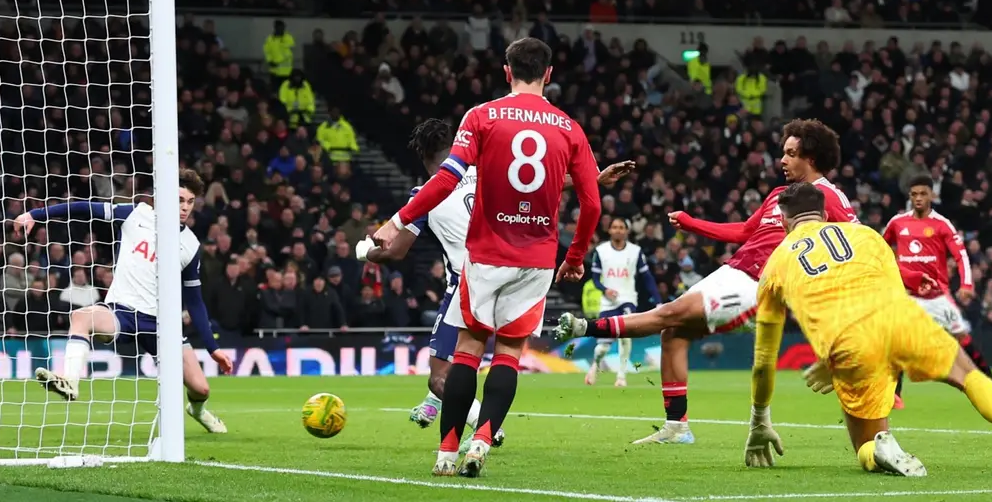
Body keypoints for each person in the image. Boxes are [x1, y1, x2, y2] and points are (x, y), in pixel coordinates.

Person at [372, 37, 602, 478]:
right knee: (510, 355)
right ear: (549, 75)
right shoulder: (570, 128)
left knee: (467, 351)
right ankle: (482, 442)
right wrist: (574, 258)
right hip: (536, 258)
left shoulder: (482, 116)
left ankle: (446, 451)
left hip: (486, 253)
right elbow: (591, 205)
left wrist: (397, 221)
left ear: (506, 71)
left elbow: (445, 180)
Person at [746, 182, 992, 476]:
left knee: (865, 442)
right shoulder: (866, 235)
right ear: (823, 212)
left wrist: (760, 419)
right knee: (968, 374)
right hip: (898, 319)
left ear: (786, 220)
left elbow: (764, 359)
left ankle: (879, 449)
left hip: (848, 346)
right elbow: (894, 293)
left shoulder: (776, 262)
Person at [554, 119, 857, 444]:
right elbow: (743, 231)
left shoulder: (829, 197)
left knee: (670, 313)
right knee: (674, 333)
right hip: (734, 269)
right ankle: (676, 427)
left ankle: (585, 328)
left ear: (811, 158)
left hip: (759, 282)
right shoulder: (781, 194)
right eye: (783, 153)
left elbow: (855, 243)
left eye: (791, 153)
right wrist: (691, 223)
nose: (781, 160)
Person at [358, 116, 627, 446]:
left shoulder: (425, 193)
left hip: (466, 284)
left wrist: (364, 253)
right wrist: (593, 180)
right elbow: (541, 182)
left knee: (440, 376)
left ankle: (485, 425)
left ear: (422, 156)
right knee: (501, 358)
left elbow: (395, 252)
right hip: (510, 274)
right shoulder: (485, 171)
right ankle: (442, 409)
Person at [16, 169, 234, 434]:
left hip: (161, 324)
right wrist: (35, 215)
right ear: (163, 196)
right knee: (81, 317)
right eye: (180, 200)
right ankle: (70, 381)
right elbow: (84, 208)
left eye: (190, 202)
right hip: (122, 312)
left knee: (201, 388)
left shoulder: (190, 245)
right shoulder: (136, 214)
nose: (185, 207)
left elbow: (195, 301)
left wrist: (212, 348)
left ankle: (197, 411)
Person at [882, 174, 992, 409]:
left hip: (936, 296)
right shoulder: (897, 223)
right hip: (906, 294)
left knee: (962, 339)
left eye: (923, 194)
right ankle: (893, 394)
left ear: (931, 195)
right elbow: (881, 249)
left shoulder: (941, 224)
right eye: (914, 194)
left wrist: (966, 284)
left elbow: (961, 254)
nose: (918, 198)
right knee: (894, 341)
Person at [587, 217, 661, 387]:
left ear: (627, 231)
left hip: (628, 299)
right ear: (610, 230)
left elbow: (647, 277)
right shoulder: (601, 251)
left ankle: (621, 376)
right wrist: (605, 290)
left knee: (625, 336)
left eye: (621, 227)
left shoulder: (635, 251)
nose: (618, 230)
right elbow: (596, 279)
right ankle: (595, 364)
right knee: (602, 348)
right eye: (615, 227)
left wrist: (658, 301)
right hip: (607, 302)